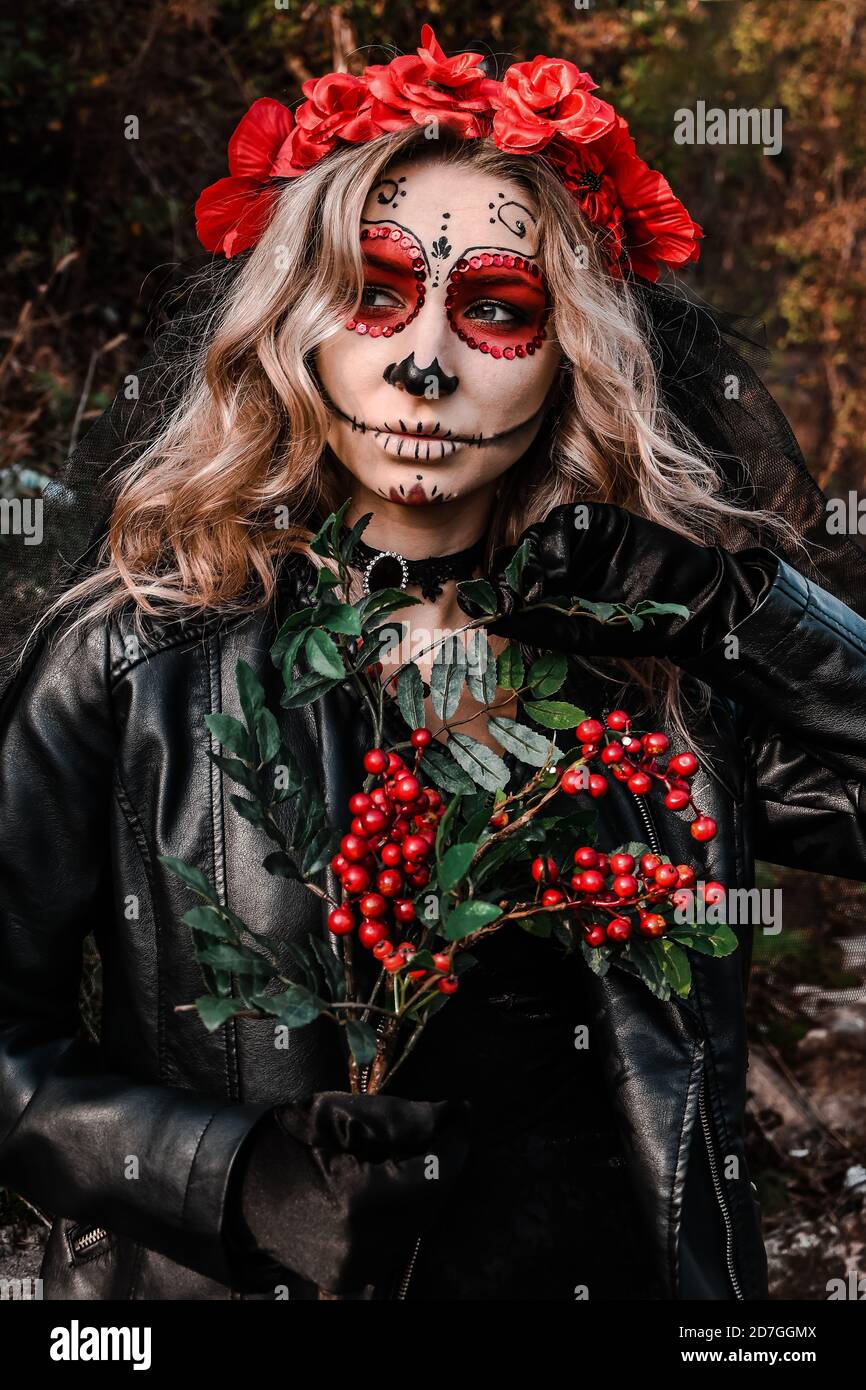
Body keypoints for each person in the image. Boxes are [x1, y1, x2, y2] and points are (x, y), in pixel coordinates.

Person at [1, 25, 865, 1302]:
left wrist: (728, 605)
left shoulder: (659, 676)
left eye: (498, 309)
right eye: (374, 291)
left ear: (572, 348)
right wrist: (225, 1175)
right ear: (296, 323)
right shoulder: (133, 657)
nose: (423, 362)